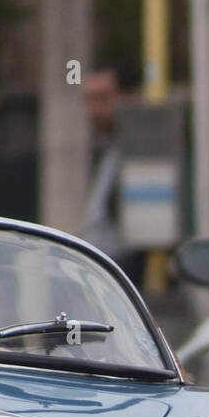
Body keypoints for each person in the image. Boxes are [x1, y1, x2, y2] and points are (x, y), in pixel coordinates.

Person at [80, 65, 143, 282]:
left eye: (103, 98)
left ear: (130, 97)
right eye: (89, 100)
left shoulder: (141, 152)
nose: (94, 110)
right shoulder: (106, 151)